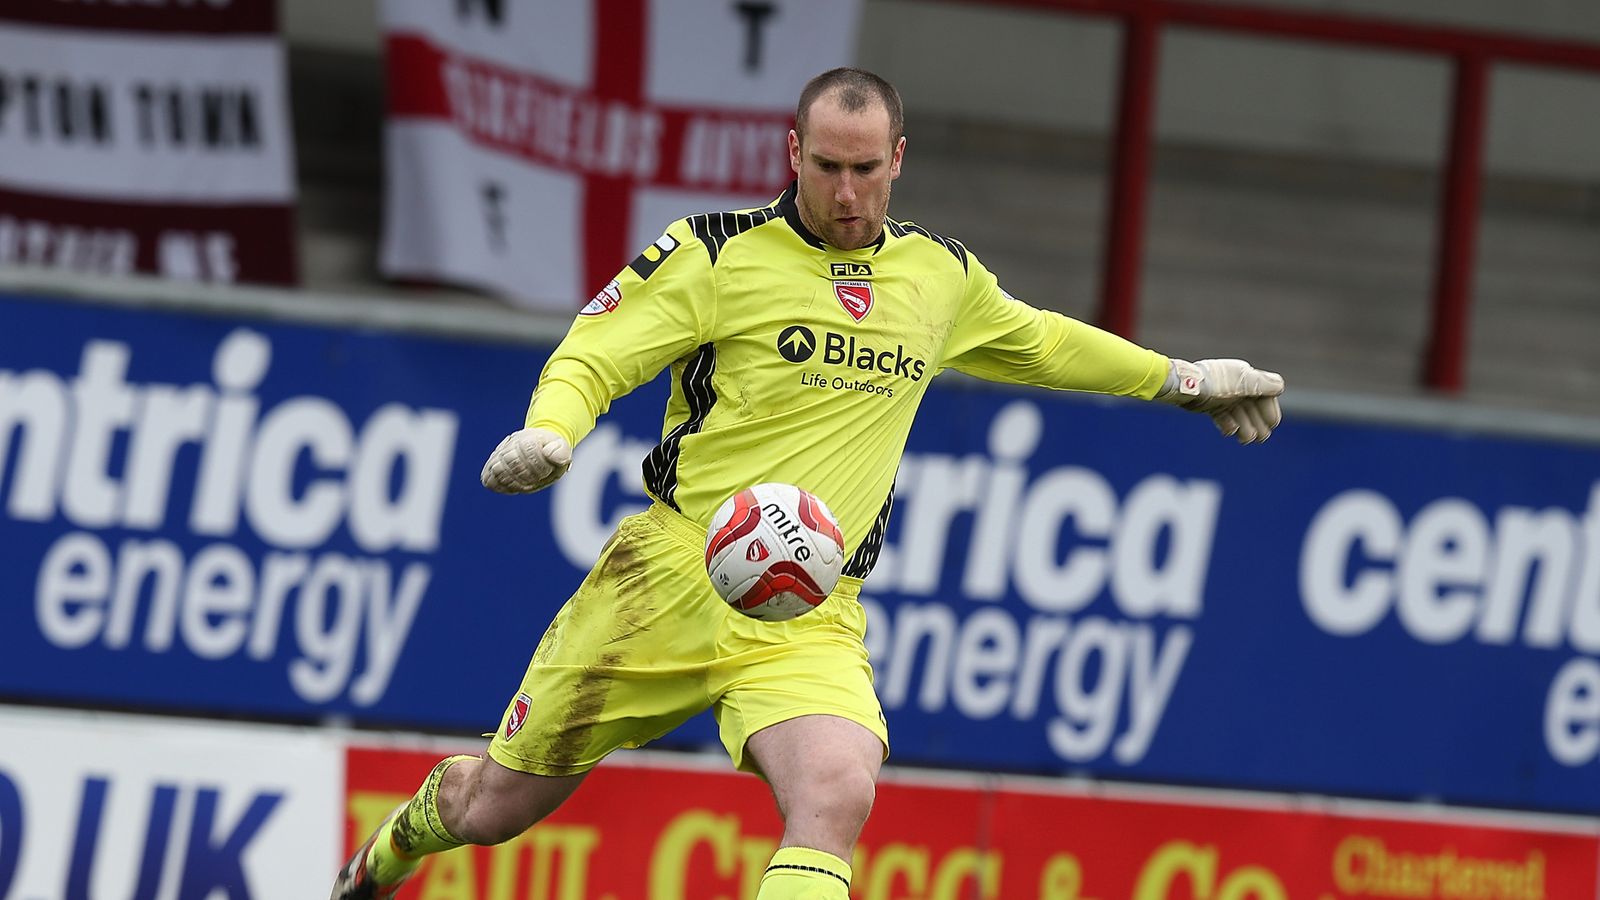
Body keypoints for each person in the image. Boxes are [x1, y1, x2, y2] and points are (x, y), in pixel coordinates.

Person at [332, 66, 1283, 900]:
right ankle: (395, 847)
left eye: (865, 169)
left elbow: (1042, 343)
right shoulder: (714, 253)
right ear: (792, 151)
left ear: (898, 159)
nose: (845, 190)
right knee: (495, 806)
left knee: (836, 791)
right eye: (826, 166)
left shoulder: (936, 277)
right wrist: (552, 430)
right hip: (663, 581)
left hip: (807, 607)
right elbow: (598, 350)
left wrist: (1185, 380)